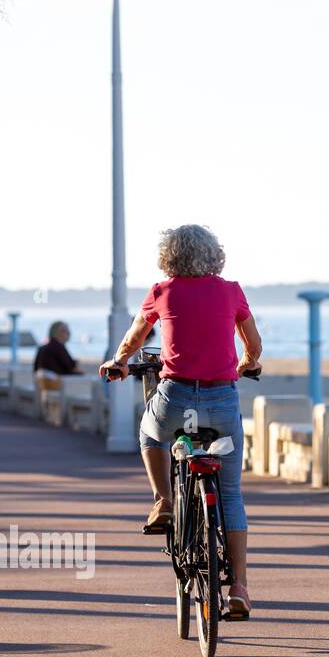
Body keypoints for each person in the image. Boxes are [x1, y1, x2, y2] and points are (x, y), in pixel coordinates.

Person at [99, 224, 262, 619]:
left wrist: (119, 362)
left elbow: (137, 335)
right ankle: (238, 586)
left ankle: (163, 502)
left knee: (149, 434)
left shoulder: (162, 291)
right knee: (231, 495)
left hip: (175, 397)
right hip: (221, 400)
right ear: (214, 254)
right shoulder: (231, 291)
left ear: (169, 256)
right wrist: (246, 363)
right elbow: (253, 344)